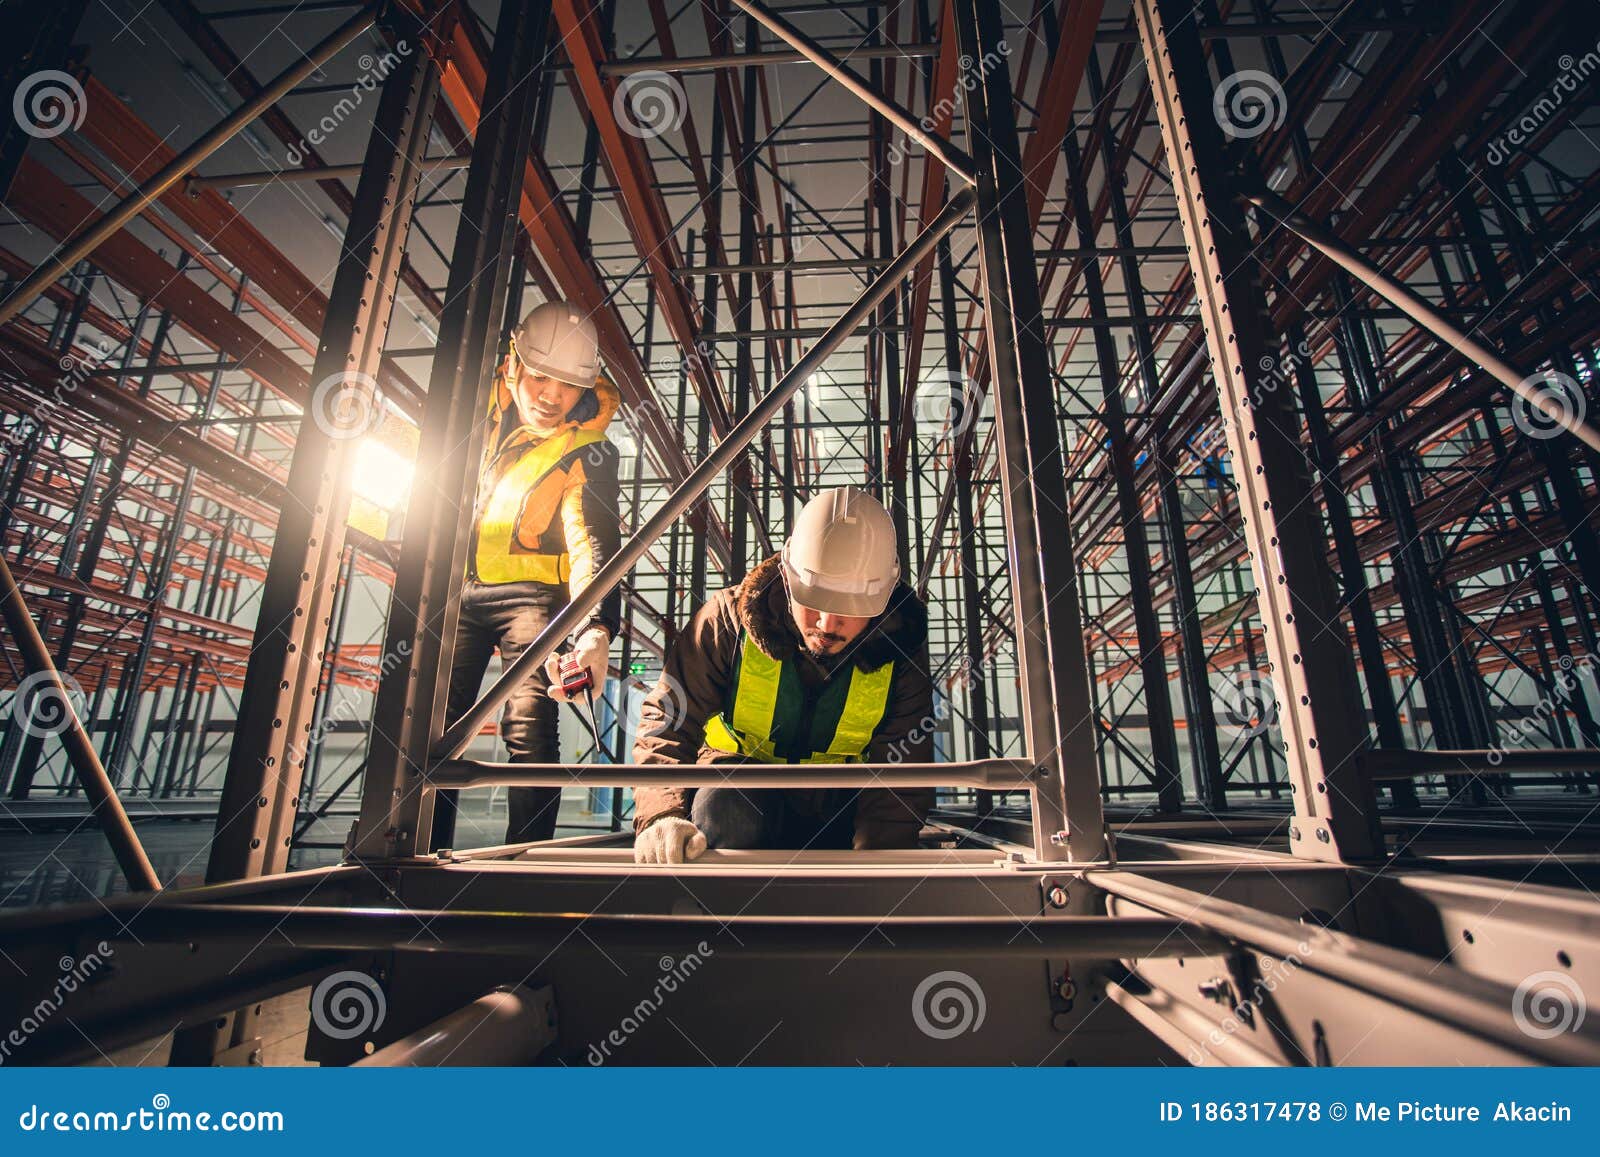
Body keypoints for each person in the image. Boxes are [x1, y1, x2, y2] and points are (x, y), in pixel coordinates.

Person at [631, 486, 935, 863]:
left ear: (882, 600)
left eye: (850, 607)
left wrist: (879, 871)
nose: (827, 623)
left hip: (837, 803)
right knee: (727, 803)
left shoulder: (900, 648)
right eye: (813, 601)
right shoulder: (726, 622)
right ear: (788, 581)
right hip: (739, 794)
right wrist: (662, 812)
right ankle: (724, 919)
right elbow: (667, 721)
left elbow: (902, 768)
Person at [432, 301, 622, 849]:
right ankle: (420, 850)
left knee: (529, 728)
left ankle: (524, 856)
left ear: (583, 387)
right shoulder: (475, 419)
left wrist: (594, 629)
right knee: (434, 734)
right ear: (514, 363)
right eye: (539, 375)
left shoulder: (589, 449)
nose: (549, 395)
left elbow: (592, 543)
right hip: (459, 594)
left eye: (565, 384)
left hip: (533, 602)